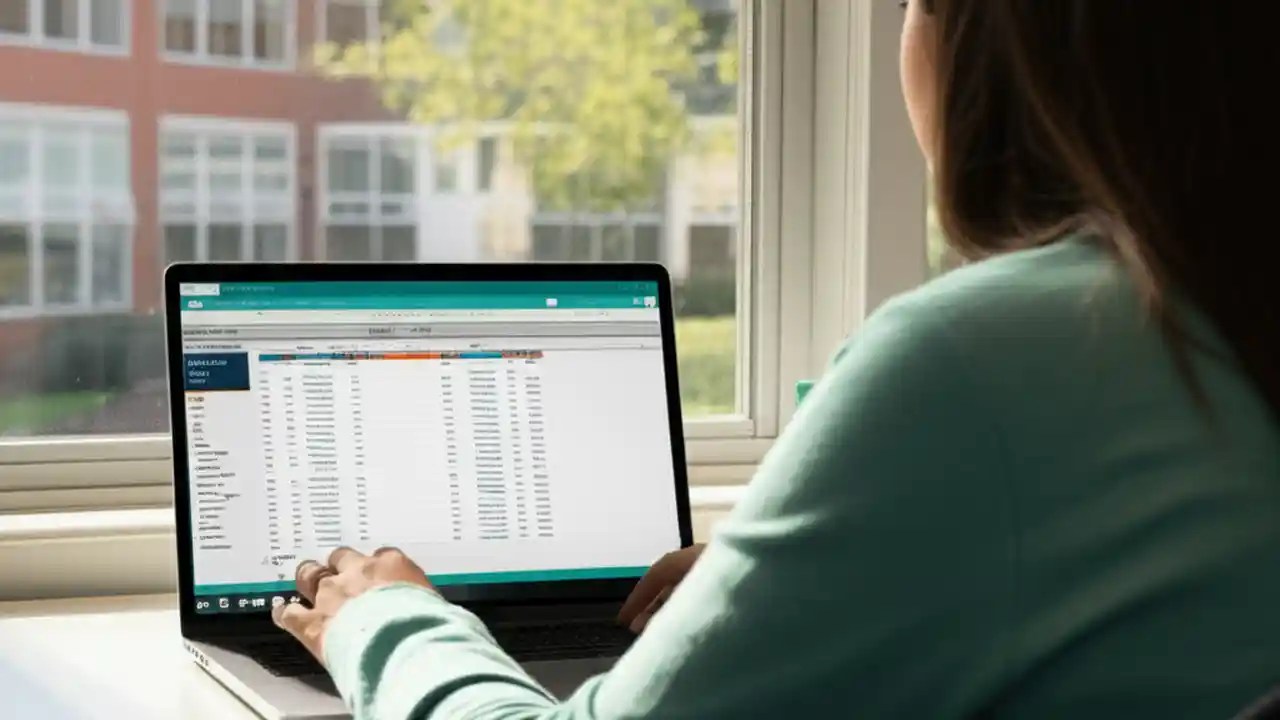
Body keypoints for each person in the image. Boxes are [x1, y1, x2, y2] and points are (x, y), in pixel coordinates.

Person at [273, 1, 1280, 717]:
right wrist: (811, 586)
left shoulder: (980, 358)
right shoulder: (1217, 317)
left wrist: (388, 621)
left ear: (985, 47)